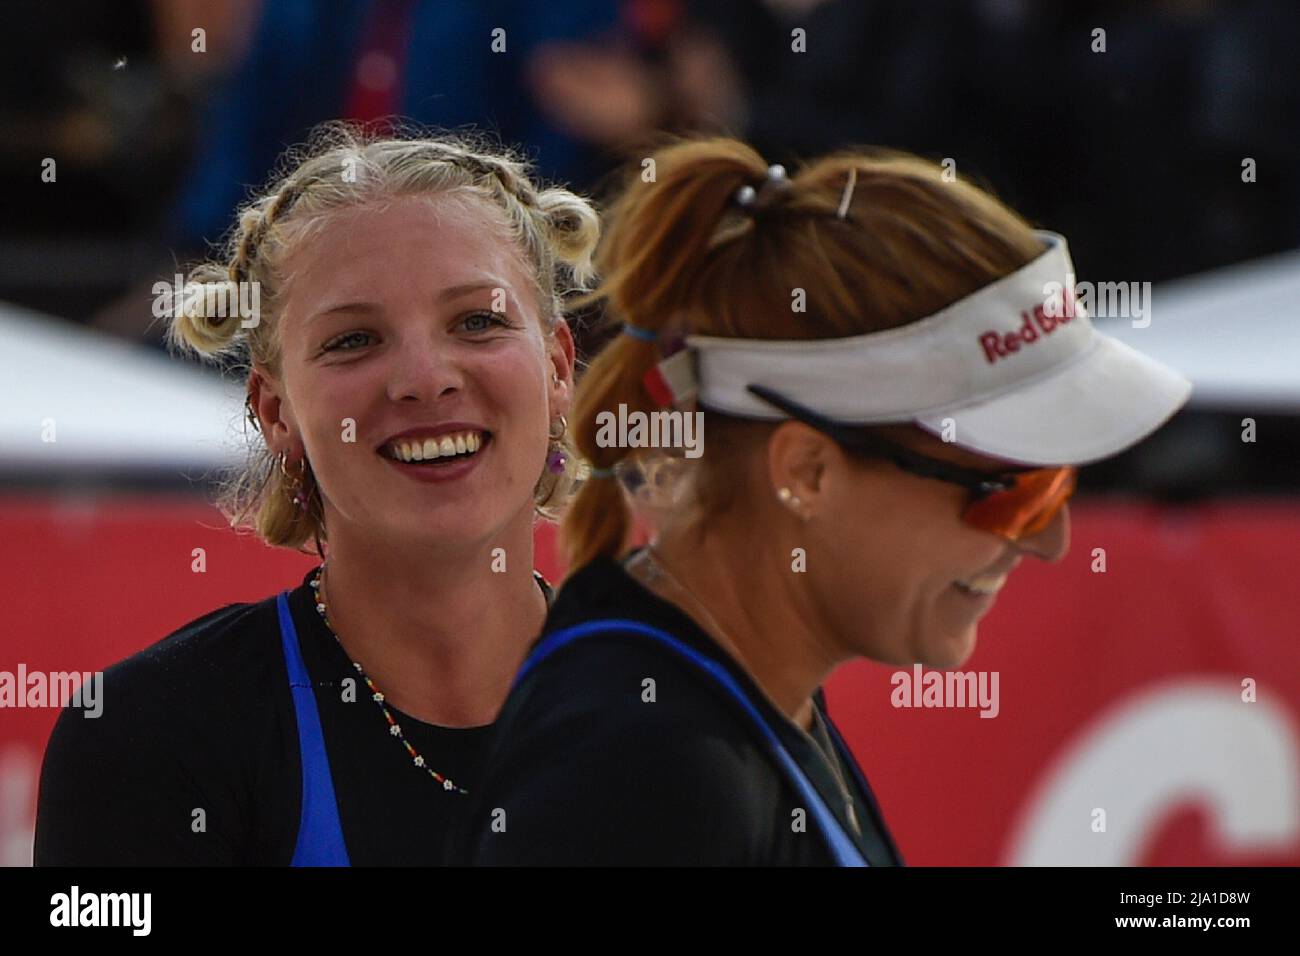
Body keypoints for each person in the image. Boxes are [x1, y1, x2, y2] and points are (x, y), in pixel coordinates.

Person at [455, 137, 1192, 866]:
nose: (1049, 541)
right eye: (1013, 492)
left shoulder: (738, 703)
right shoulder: (647, 765)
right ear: (806, 471)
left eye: (1059, 480)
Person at [34, 124, 598, 865]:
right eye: (353, 340)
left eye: (478, 322)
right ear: (274, 411)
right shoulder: (151, 736)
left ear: (558, 366)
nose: (425, 377)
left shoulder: (697, 718)